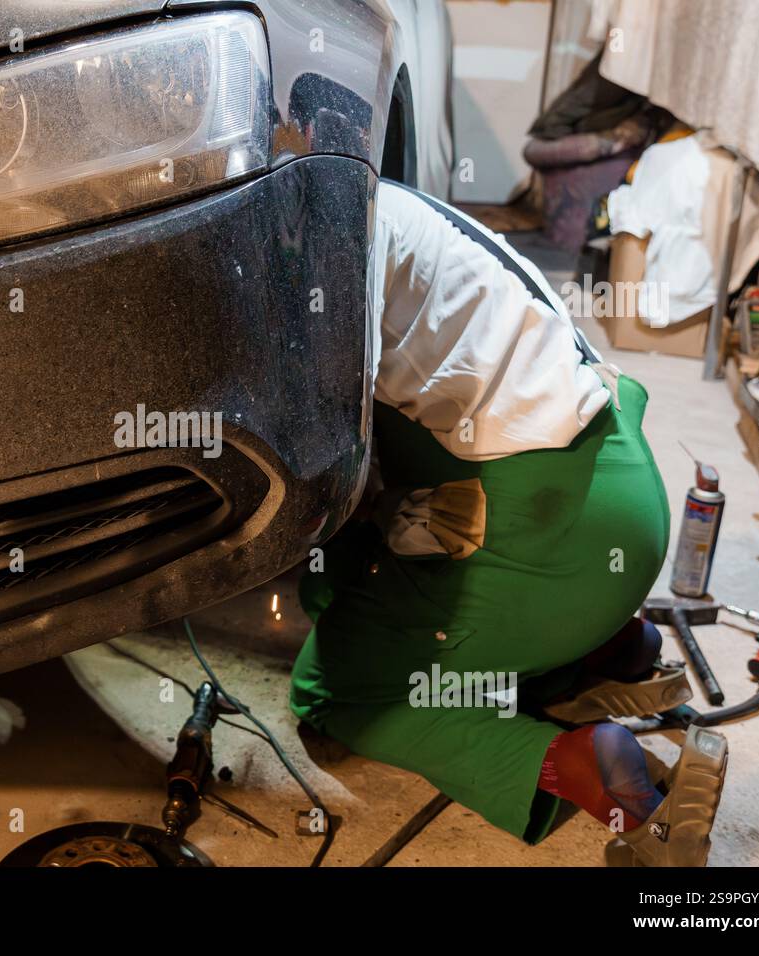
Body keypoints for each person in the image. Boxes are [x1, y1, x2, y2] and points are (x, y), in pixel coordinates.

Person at [289, 180, 728, 866]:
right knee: (366, 574)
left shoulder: (313, 249)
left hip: (552, 532)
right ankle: (596, 656)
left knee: (336, 689)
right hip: (621, 498)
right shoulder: (379, 203)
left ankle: (582, 764)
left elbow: (311, 460)